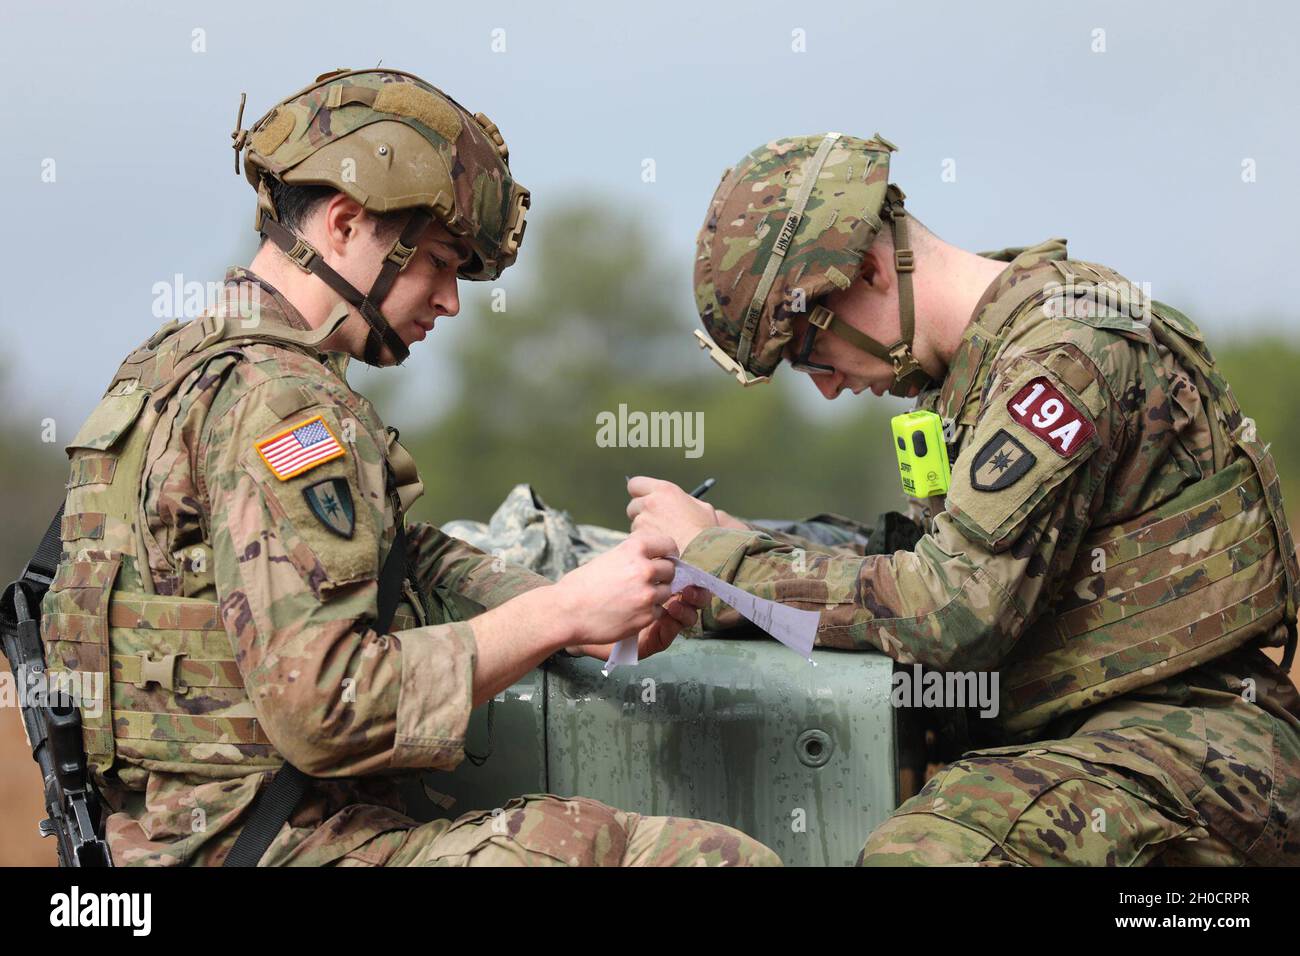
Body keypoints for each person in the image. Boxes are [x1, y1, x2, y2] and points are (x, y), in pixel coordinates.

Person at [39, 68, 779, 867]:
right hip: (276, 844)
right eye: (437, 262)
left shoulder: (165, 370)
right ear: (347, 223)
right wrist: (559, 618)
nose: (452, 302)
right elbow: (323, 709)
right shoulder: (279, 403)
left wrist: (578, 604)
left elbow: (390, 558)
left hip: (154, 843)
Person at [627, 132, 1300, 865]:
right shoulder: (986, 369)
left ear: (875, 271)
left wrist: (724, 563)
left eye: (808, 350)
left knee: (931, 852)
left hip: (1195, 739)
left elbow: (947, 614)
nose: (824, 385)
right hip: (1106, 735)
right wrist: (733, 547)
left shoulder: (1064, 354)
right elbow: (926, 567)